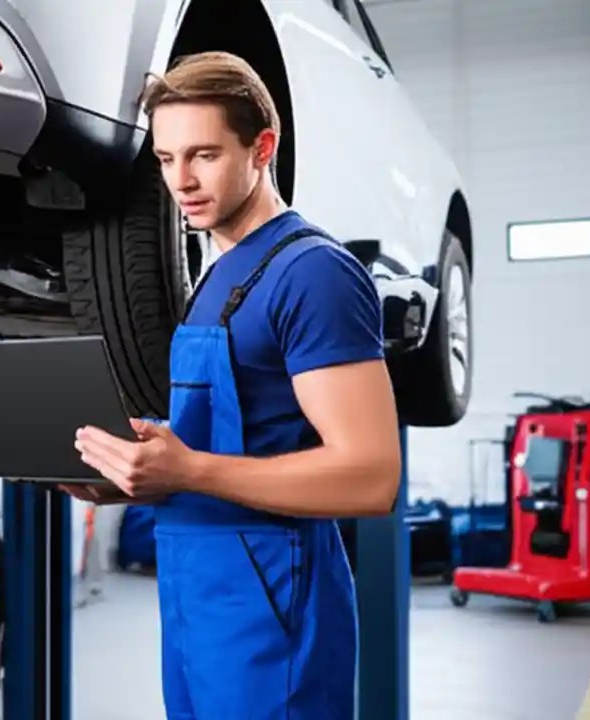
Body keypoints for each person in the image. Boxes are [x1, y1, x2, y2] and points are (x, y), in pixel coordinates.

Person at [66, 51, 402, 720]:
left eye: (203, 155)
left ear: (262, 148)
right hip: (197, 592)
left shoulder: (312, 273)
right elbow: (220, 440)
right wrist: (125, 474)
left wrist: (187, 471)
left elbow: (370, 476)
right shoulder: (215, 276)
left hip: (272, 597)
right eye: (164, 159)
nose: (181, 180)